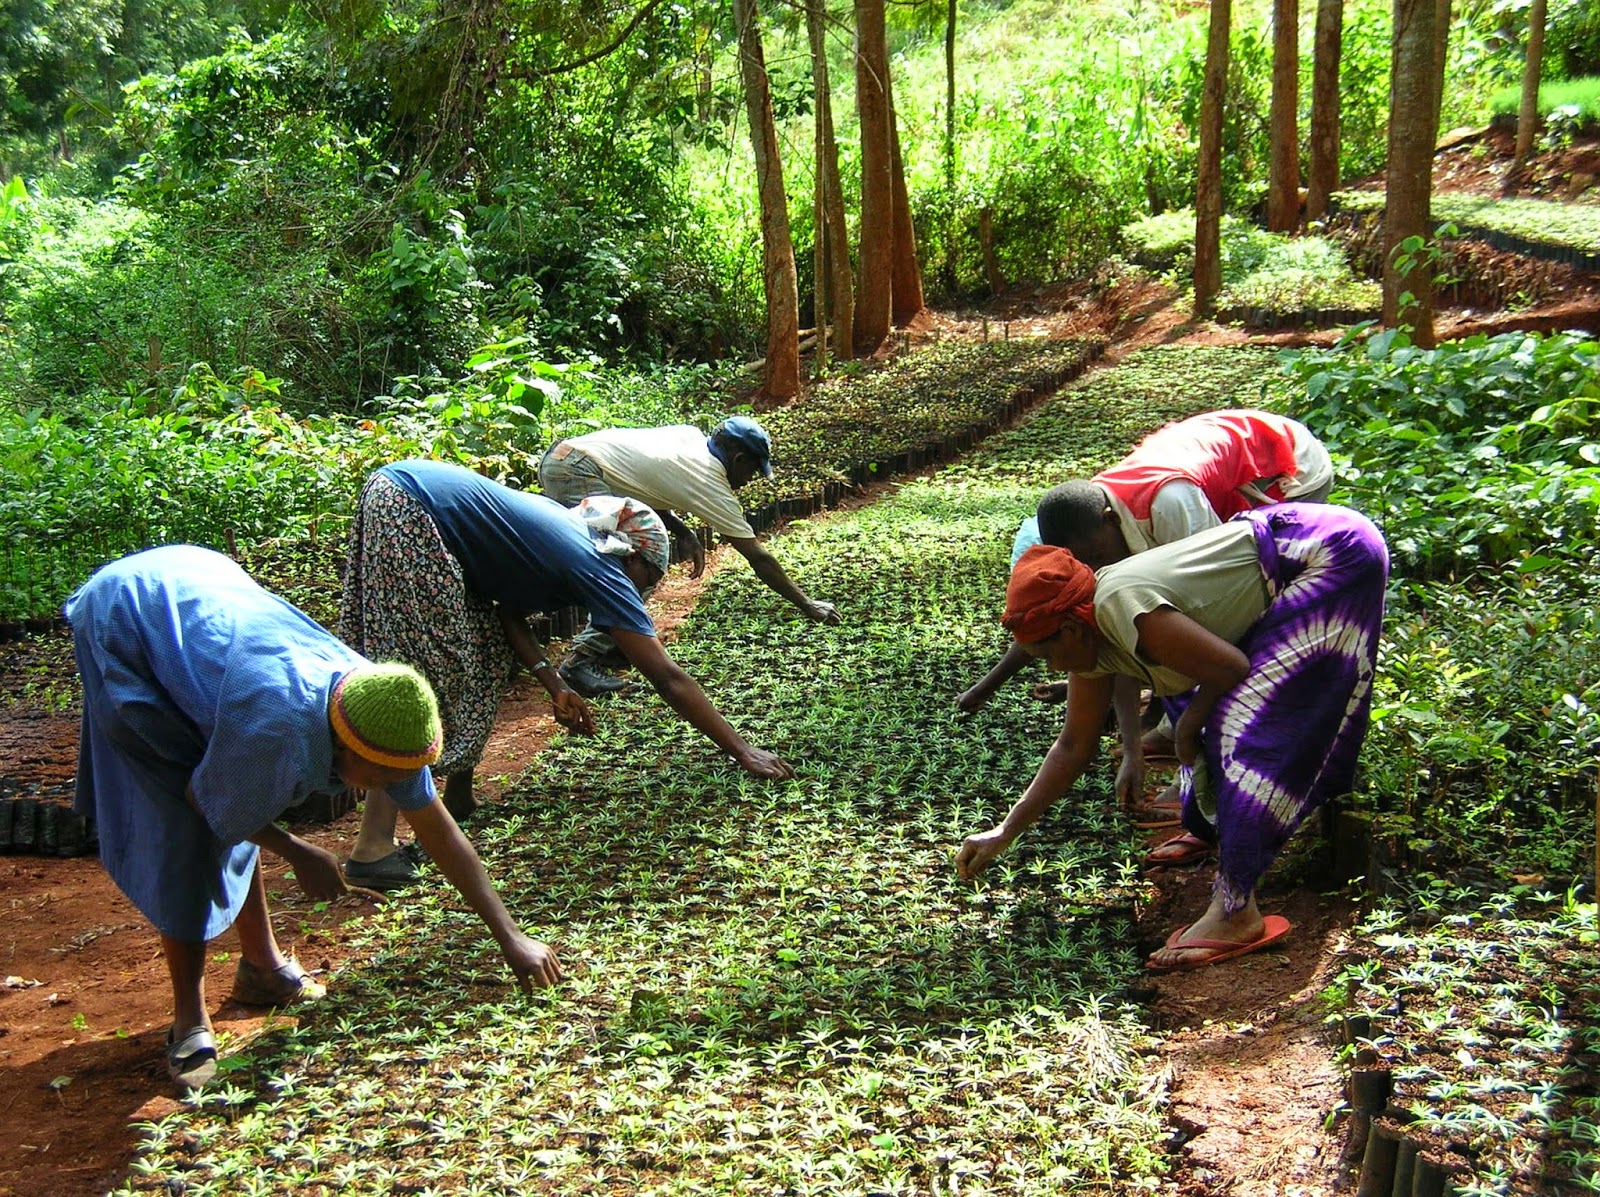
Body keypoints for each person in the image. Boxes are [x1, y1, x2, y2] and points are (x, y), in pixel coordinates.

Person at [65, 545, 561, 1091]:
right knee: (185, 834)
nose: (385, 790)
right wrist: (300, 852)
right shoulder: (277, 726)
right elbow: (203, 802)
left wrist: (510, 936)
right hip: (128, 616)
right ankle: (189, 1021)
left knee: (244, 799)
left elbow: (438, 828)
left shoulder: (383, 711)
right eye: (377, 778)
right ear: (345, 749)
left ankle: (264, 970)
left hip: (202, 586)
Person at [954, 503, 1387, 972]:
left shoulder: (1120, 605)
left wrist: (1187, 724)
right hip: (1288, 560)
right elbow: (1074, 745)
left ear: (1072, 627)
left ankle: (1236, 909)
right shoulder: (1086, 637)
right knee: (1209, 715)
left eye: (1049, 653)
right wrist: (1005, 830)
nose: (1053, 668)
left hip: (1325, 553)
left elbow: (1229, 668)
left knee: (1244, 729)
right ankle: (1217, 832)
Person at [340, 458, 795, 890]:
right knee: (432, 670)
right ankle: (373, 848)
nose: (643, 588)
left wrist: (554, 684)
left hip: (405, 498)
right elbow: (666, 677)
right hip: (411, 510)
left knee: (482, 654)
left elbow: (507, 617)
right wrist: (742, 750)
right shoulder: (596, 561)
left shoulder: (567, 539)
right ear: (632, 554)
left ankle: (458, 794)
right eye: (647, 576)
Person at [955, 409, 1334, 805]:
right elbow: (1114, 646)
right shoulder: (1095, 522)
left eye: (1099, 557)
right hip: (1219, 481)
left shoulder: (1170, 504)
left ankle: (1214, 774)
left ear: (1108, 522)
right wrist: (1128, 740)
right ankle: (1176, 736)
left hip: (1291, 472)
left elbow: (1219, 609)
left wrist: (1189, 722)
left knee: (1226, 630)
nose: (1099, 571)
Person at [539, 416, 841, 696]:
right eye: (751, 470)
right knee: (623, 566)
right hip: (577, 471)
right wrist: (807, 604)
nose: (750, 479)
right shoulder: (709, 479)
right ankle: (580, 663)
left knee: (640, 559)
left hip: (567, 458)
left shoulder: (691, 437)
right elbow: (757, 557)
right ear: (738, 459)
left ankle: (615, 644)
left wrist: (682, 530)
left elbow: (644, 480)